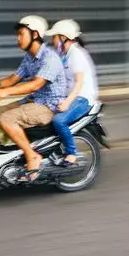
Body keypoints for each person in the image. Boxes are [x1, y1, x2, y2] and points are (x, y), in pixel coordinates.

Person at [0, 15, 68, 181]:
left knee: (6, 119)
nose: (18, 38)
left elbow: (35, 84)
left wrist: (6, 92)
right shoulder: (30, 57)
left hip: (48, 107)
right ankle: (11, 153)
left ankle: (32, 156)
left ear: (35, 34)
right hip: (33, 101)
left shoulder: (49, 58)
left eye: (21, 34)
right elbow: (12, 79)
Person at [46, 19, 99, 167]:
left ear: (63, 37)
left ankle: (71, 153)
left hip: (83, 98)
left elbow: (79, 83)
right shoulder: (66, 55)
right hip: (73, 95)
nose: (52, 41)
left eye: (54, 37)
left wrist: (67, 102)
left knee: (59, 120)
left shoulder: (77, 54)